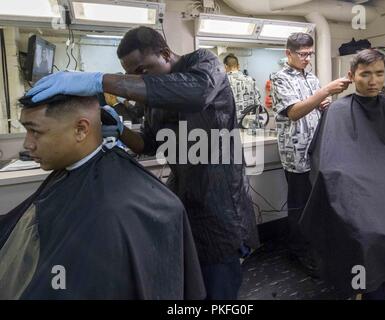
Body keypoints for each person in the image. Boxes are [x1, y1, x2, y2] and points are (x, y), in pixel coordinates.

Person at [26, 26, 259, 300]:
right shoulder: (155, 97)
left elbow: (196, 93)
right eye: (131, 73)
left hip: (220, 203)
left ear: (164, 53)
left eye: (142, 70)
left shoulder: (202, 63)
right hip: (184, 197)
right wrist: (116, 127)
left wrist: (99, 81)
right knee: (192, 286)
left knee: (218, 287)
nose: (137, 78)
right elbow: (147, 143)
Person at [0, 94, 205, 299]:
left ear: (81, 129)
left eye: (35, 131)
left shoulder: (110, 210)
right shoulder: (69, 173)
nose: (27, 145)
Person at [300, 49, 385, 299]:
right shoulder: (336, 112)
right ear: (352, 76)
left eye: (379, 73)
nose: (373, 81)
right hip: (363, 207)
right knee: (368, 239)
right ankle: (372, 289)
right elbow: (330, 168)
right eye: (365, 74)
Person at [270, 32, 351, 274]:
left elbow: (316, 105)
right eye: (302, 54)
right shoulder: (279, 78)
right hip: (296, 154)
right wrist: (324, 92)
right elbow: (293, 112)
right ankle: (298, 250)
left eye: (310, 54)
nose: (307, 59)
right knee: (299, 205)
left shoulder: (312, 78)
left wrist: (323, 102)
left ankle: (315, 245)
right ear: (288, 54)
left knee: (316, 203)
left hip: (316, 150)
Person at [223, 53, 262, 121]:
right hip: (249, 122)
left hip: (231, 123)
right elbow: (258, 103)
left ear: (225, 67)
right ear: (238, 66)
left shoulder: (223, 82)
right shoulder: (251, 80)